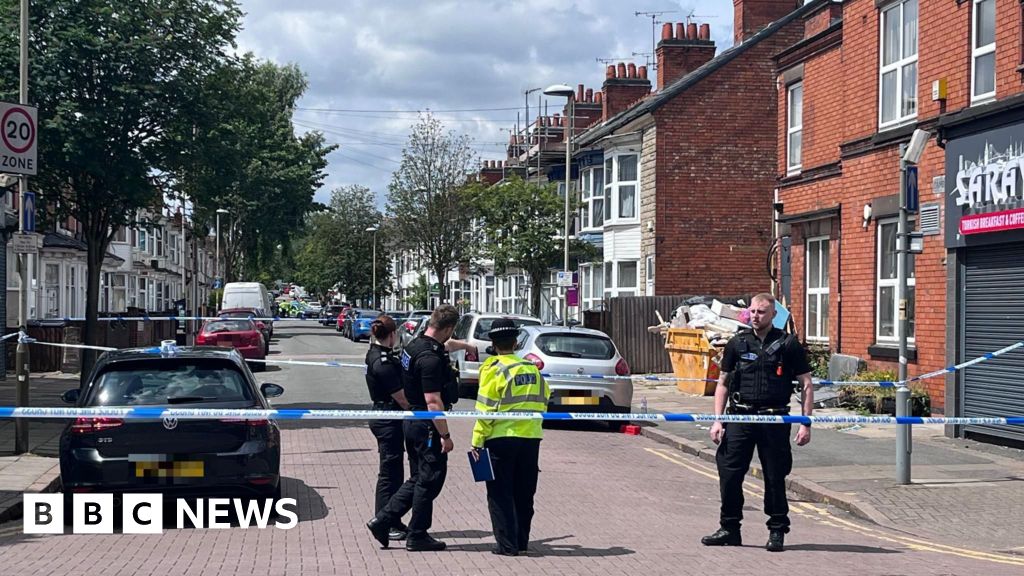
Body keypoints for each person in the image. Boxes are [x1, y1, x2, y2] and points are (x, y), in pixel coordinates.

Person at [701, 293, 813, 552]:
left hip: (774, 419)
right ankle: (730, 528)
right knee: (729, 474)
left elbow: (806, 384)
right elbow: (723, 384)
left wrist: (806, 423)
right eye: (752, 311)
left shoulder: (788, 345)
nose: (755, 315)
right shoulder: (737, 343)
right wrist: (717, 421)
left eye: (761, 312)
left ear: (773, 315)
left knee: (775, 476)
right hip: (740, 416)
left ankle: (776, 530)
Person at [367, 304, 461, 552]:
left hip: (412, 422)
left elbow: (445, 347)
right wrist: (446, 435)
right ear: (449, 328)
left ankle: (390, 522)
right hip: (425, 425)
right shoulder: (430, 357)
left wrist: (467, 346)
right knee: (429, 478)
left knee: (420, 477)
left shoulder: (414, 346)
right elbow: (433, 401)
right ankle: (406, 529)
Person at [470, 318, 550, 556]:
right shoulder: (531, 369)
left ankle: (507, 545)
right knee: (524, 493)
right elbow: (544, 399)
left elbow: (485, 409)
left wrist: (477, 440)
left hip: (500, 439)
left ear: (493, 344)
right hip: (531, 438)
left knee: (500, 493)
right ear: (516, 343)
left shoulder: (493, 369)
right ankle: (521, 541)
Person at [364, 315, 412, 542]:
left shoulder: (380, 355)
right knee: (389, 473)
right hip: (387, 418)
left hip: (389, 417)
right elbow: (402, 399)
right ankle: (383, 520)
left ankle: (391, 519)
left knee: (395, 472)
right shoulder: (381, 361)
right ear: (392, 335)